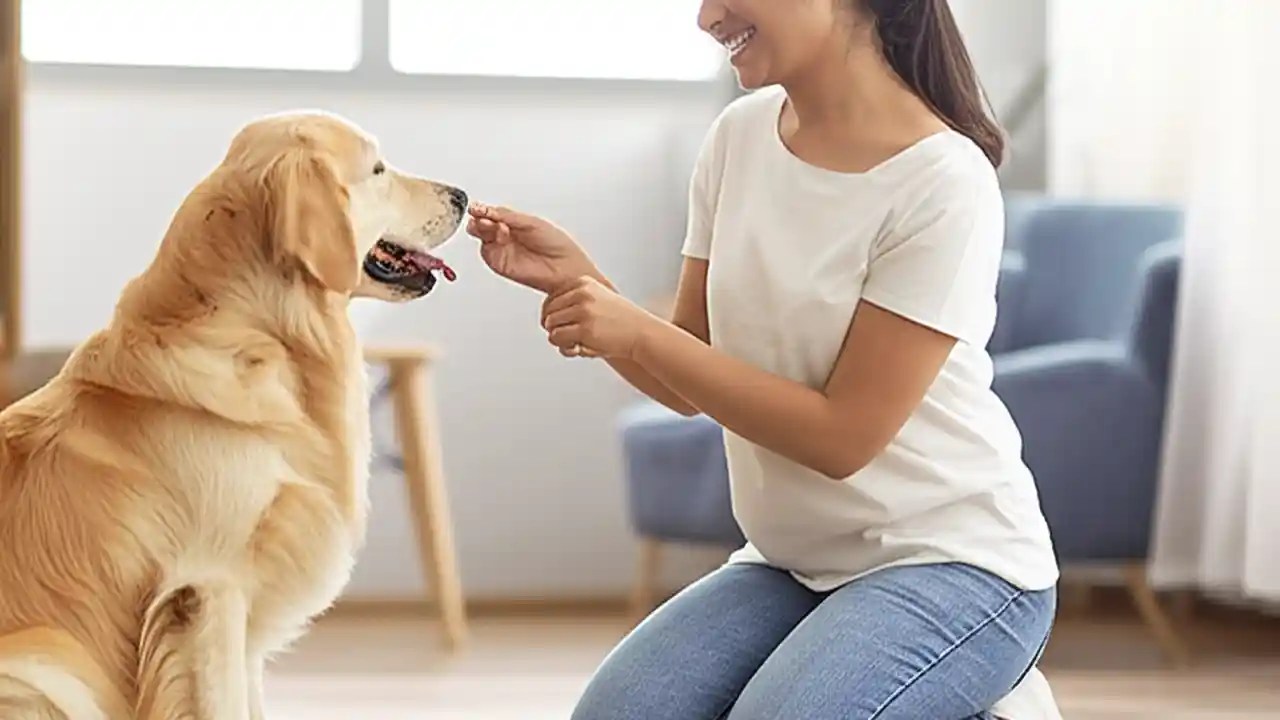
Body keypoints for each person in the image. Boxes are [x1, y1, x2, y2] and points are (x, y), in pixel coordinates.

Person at [466, 0, 1060, 717]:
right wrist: (582, 286)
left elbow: (843, 438)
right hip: (796, 563)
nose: (705, 16)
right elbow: (691, 376)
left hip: (956, 561)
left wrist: (636, 330)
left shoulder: (943, 180)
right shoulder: (739, 138)